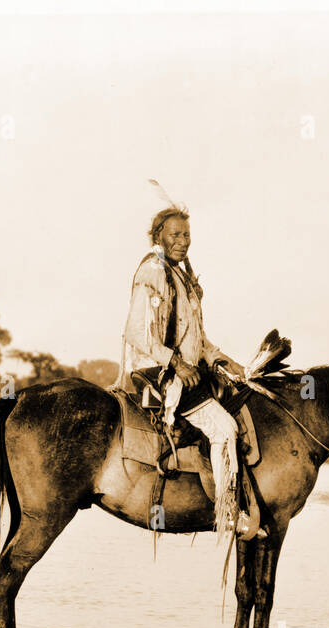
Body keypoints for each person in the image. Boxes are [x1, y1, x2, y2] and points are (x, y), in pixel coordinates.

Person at [116, 205, 263, 540]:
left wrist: (221, 360)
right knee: (225, 429)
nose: (183, 241)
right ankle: (228, 514)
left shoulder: (178, 276)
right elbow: (137, 333)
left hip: (183, 369)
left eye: (187, 235)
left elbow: (196, 338)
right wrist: (177, 364)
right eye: (175, 234)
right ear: (158, 237)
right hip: (157, 371)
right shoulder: (153, 272)